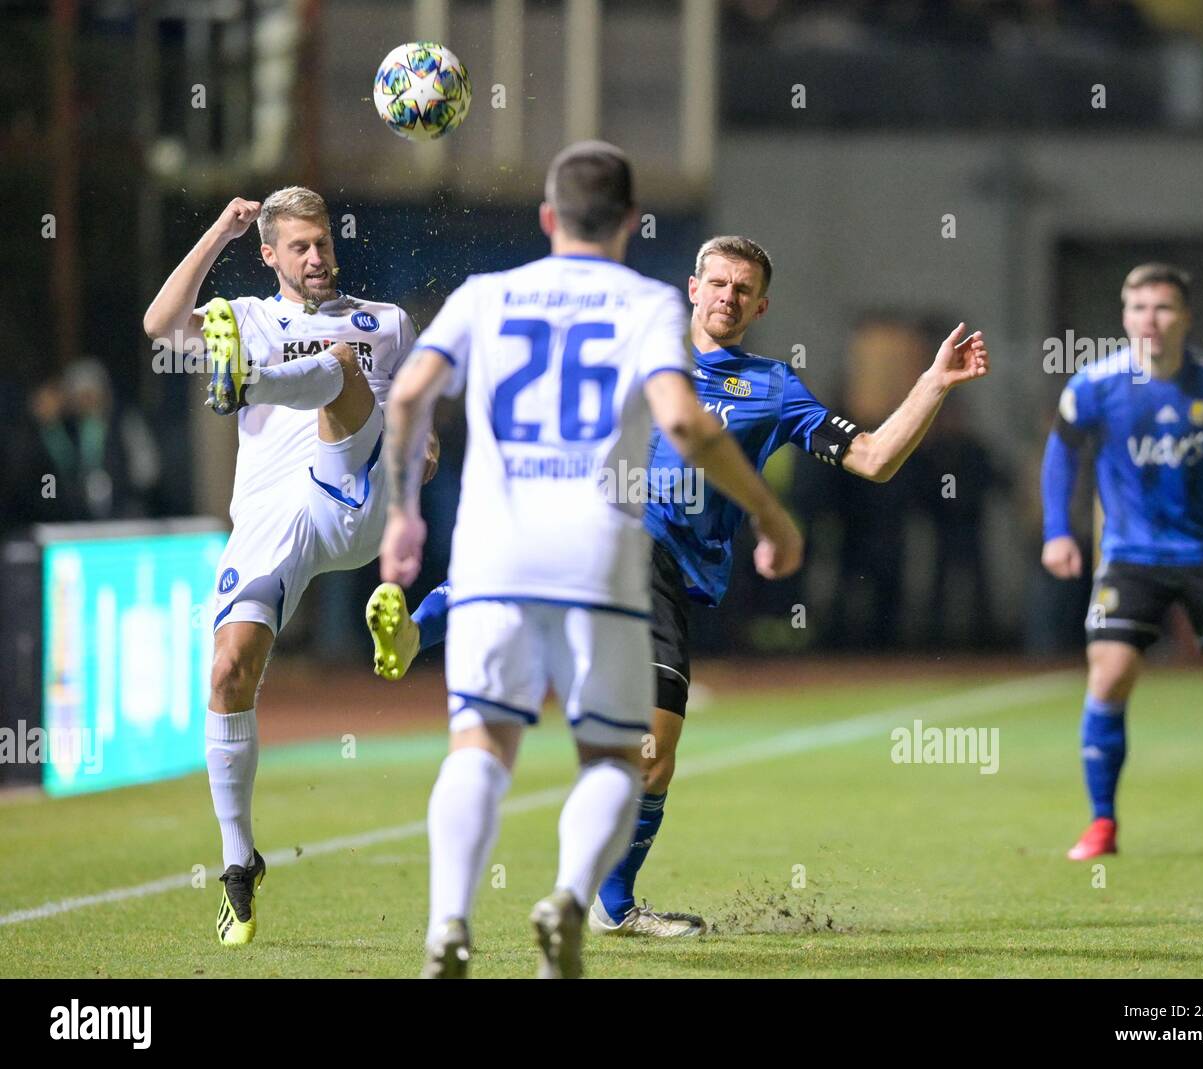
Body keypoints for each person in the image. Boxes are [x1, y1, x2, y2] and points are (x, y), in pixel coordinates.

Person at [371, 233, 990, 939]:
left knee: (653, 755)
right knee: (537, 556)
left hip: (677, 571)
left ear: (761, 305)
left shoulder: (772, 386)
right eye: (716, 282)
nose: (726, 295)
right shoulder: (634, 351)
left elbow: (874, 458)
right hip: (624, 536)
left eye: (741, 289)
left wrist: (934, 382)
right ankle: (418, 625)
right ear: (693, 289)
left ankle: (610, 903)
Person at [377, 142, 804, 978]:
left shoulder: (484, 295)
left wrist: (401, 514)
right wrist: (768, 513)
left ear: (546, 219)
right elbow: (686, 424)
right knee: (615, 755)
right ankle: (573, 896)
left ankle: (448, 927)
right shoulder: (646, 304)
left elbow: (406, 394)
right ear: (632, 225)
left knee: (480, 747)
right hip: (600, 556)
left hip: (496, 552)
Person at [142, 187, 436, 945]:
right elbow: (160, 326)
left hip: (354, 496)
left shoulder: (385, 323)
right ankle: (239, 865)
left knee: (340, 365)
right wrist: (220, 229)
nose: (317, 257)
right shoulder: (243, 315)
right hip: (275, 518)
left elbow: (416, 424)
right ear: (269, 253)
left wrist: (422, 453)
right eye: (299, 246)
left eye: (324, 243)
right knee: (228, 672)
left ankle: (248, 384)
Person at [1041, 262, 1203, 860]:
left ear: (1185, 317)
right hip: (1132, 557)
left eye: (1161, 309)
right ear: (1125, 317)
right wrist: (1058, 530)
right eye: (1137, 309)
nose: (1148, 322)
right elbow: (1061, 456)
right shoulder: (1094, 385)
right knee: (1107, 677)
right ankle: (1102, 824)